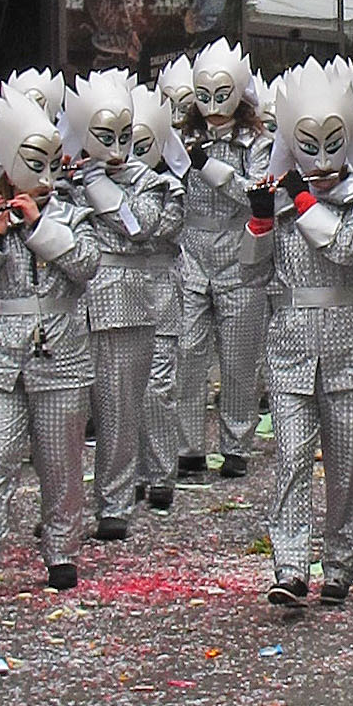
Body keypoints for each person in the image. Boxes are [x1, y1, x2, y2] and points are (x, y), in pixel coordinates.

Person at [242, 59, 353, 607]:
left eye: (332, 144)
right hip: (291, 350)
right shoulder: (279, 203)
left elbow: (351, 252)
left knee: (349, 467)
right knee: (292, 458)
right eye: (309, 144)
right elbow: (252, 273)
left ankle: (344, 560)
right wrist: (259, 222)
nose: (322, 159)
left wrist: (304, 204)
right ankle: (290, 563)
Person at [0, 87, 100, 597]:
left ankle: (61, 551)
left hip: (59, 350)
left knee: (61, 460)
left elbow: (85, 266)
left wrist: (38, 228)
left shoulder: (74, 214)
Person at [62, 71, 182, 542]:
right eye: (102, 135)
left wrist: (94, 185)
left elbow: (138, 224)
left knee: (118, 409)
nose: (114, 146)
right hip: (70, 301)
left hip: (125, 299)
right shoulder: (62, 175)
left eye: (122, 136)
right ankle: (63, 504)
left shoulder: (149, 181)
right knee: (64, 413)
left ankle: (114, 501)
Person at [177, 39, 271, 479]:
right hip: (191, 252)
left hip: (238, 254)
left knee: (238, 357)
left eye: (223, 94)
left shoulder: (256, 141)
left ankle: (236, 444)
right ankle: (189, 445)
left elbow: (256, 194)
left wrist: (210, 167)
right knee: (189, 352)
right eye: (205, 95)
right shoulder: (181, 136)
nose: (213, 106)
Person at [129, 83, 190, 511]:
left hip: (161, 294)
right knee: (119, 391)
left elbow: (152, 227)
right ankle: (125, 474)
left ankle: (161, 472)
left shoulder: (171, 189)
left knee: (157, 388)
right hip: (117, 299)